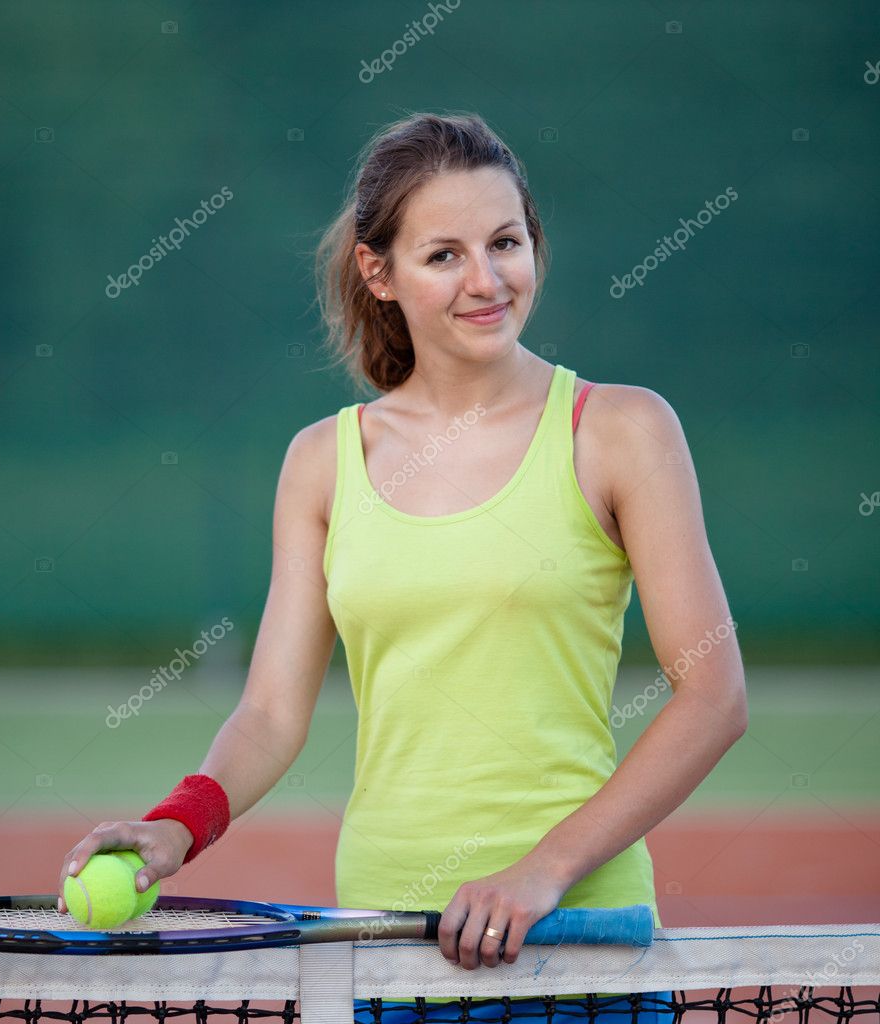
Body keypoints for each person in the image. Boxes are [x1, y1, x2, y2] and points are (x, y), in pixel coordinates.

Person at [56, 112, 748, 991]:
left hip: (581, 937)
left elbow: (713, 695)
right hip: (385, 936)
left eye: (506, 242)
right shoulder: (321, 461)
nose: (487, 279)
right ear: (378, 273)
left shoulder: (621, 430)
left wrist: (541, 871)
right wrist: (176, 824)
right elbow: (271, 712)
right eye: (444, 254)